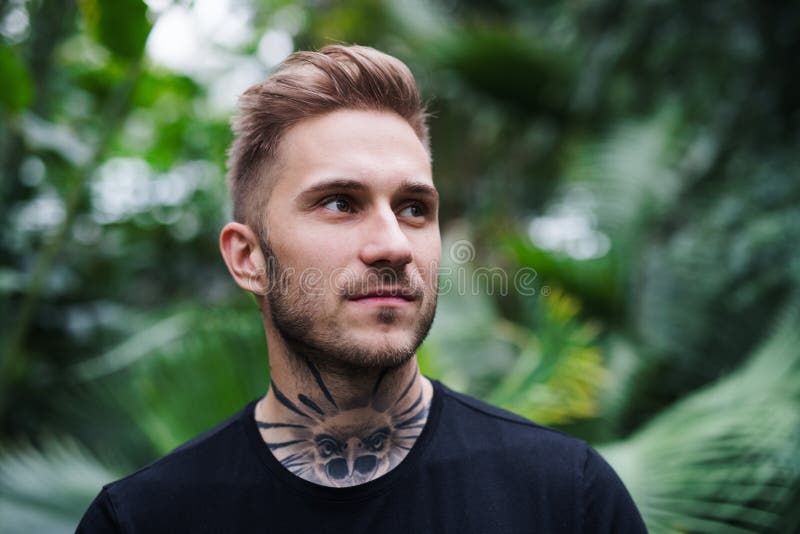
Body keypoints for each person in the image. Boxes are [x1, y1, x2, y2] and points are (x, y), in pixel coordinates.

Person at [77, 44, 647, 533]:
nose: (393, 244)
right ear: (248, 258)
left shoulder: (567, 498)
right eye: (339, 203)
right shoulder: (144, 520)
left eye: (414, 208)